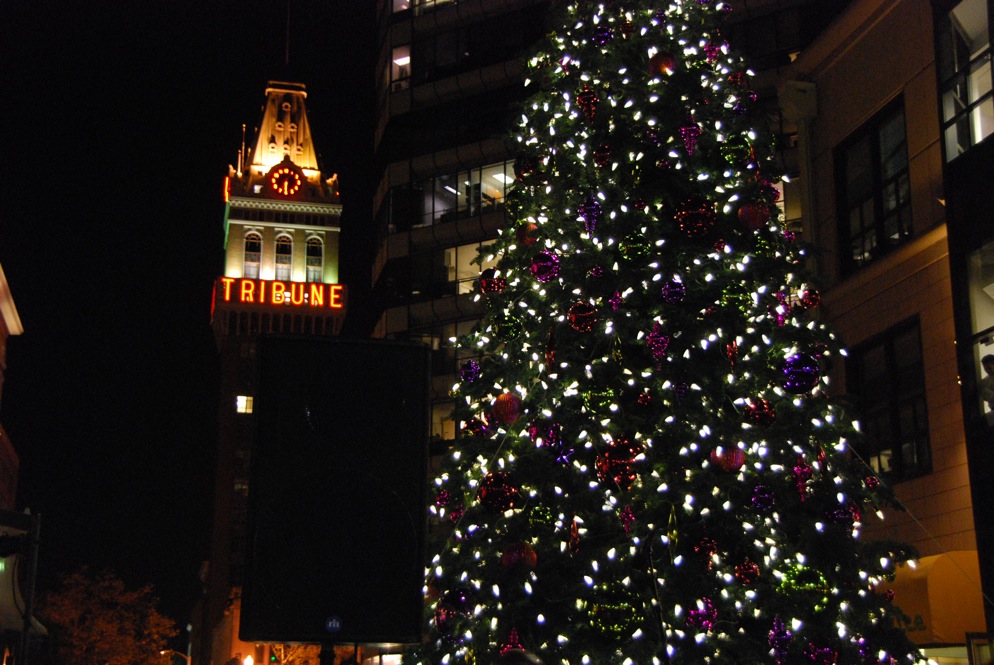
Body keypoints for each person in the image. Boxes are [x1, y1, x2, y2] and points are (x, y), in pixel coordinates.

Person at [979, 355, 994, 426]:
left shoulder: (984, 383)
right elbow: (986, 396)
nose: (988, 370)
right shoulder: (984, 382)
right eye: (986, 368)